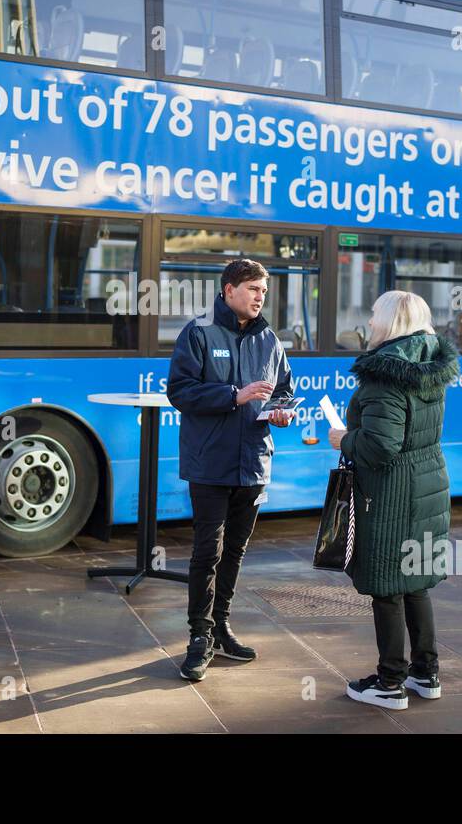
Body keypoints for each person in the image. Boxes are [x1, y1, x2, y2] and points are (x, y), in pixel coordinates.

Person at [330, 290, 459, 710]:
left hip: (392, 494)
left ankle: (389, 683)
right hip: (427, 485)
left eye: (374, 315)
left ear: (390, 322)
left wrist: (343, 439)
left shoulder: (385, 373)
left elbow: (381, 445)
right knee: (416, 581)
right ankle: (426, 672)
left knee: (387, 586)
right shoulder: (430, 365)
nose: (369, 321)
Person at [167, 258, 295, 681]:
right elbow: (180, 392)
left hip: (254, 464)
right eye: (255, 289)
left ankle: (220, 628)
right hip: (210, 464)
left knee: (235, 553)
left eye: (265, 291)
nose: (261, 297)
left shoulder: (270, 340)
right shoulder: (199, 332)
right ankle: (199, 638)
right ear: (228, 290)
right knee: (208, 552)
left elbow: (284, 391)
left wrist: (281, 412)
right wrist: (233, 395)